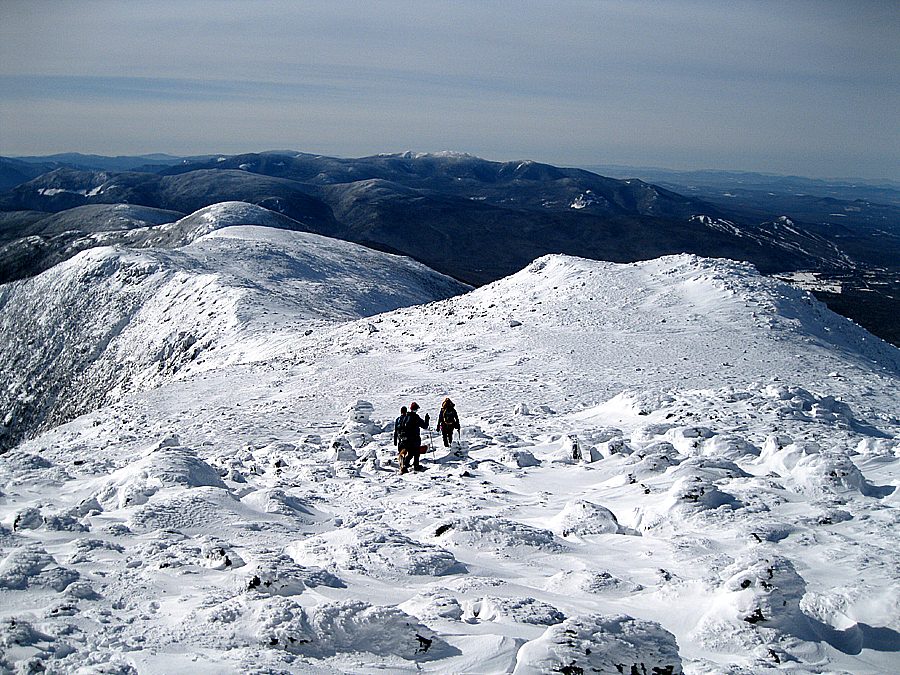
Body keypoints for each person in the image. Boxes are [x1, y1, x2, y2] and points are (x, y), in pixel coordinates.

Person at [399, 402, 429, 473]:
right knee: (416, 452)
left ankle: (405, 465)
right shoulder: (416, 417)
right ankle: (416, 466)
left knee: (410, 452)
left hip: (406, 439)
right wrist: (427, 420)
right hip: (415, 438)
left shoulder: (406, 417)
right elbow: (424, 426)